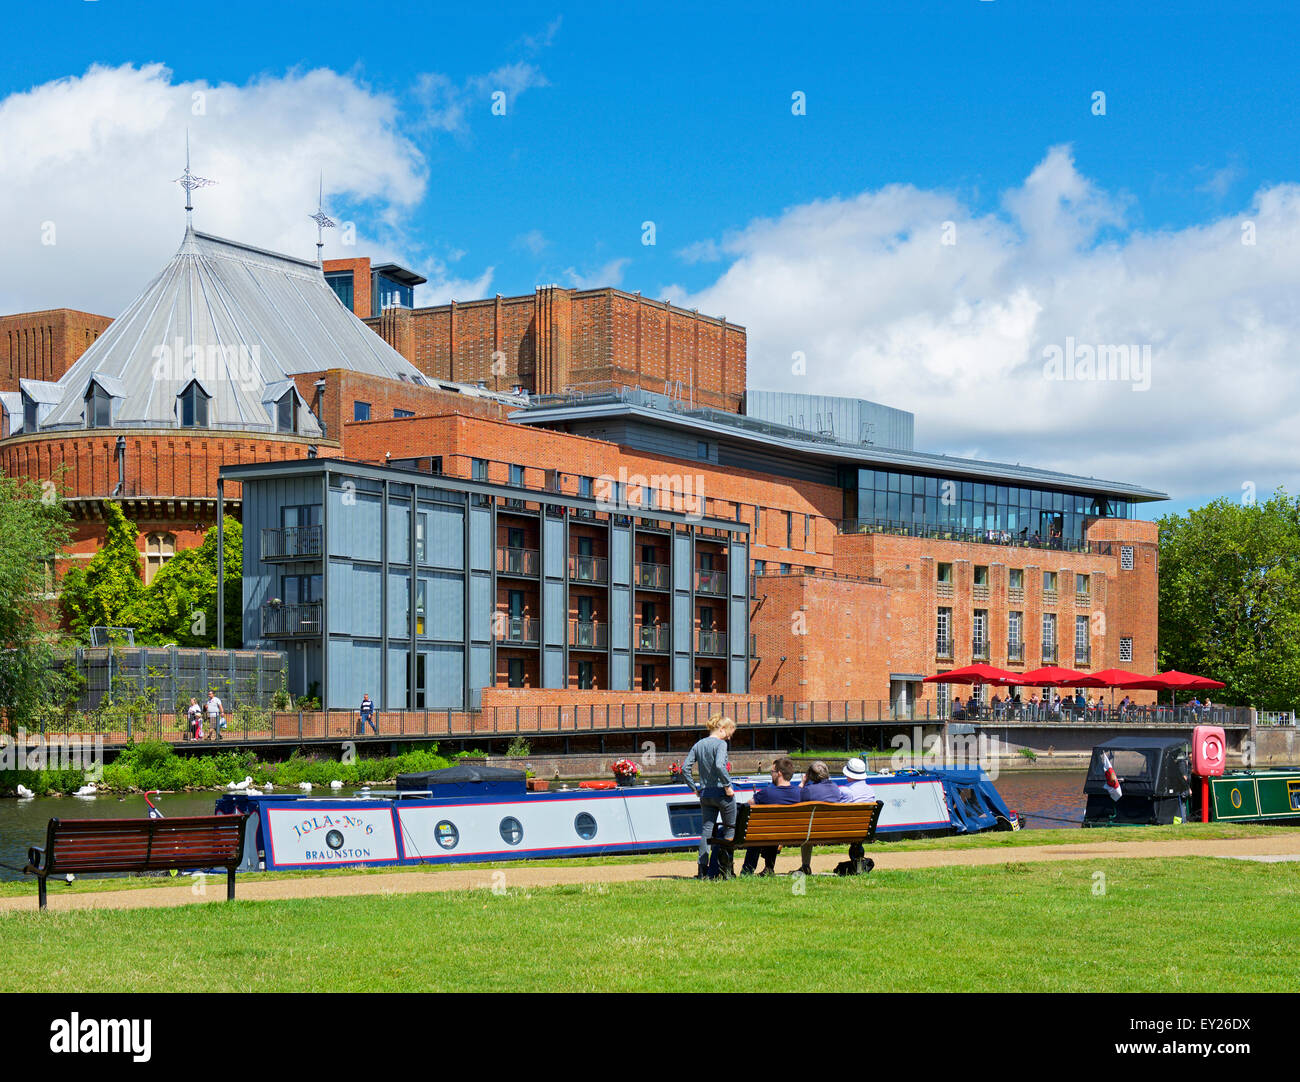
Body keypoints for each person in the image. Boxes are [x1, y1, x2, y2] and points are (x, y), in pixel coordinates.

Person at [682, 714, 737, 880]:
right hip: (722, 793)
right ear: (721, 729)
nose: (729, 737)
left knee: (706, 832)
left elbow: (685, 768)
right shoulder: (720, 744)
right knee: (730, 829)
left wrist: (695, 788)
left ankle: (702, 870)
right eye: (728, 734)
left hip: (705, 794)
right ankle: (726, 870)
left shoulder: (698, 744)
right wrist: (727, 785)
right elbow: (720, 765)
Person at [740, 756, 801, 876]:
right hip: (794, 833)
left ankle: (747, 871)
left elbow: (747, 805)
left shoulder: (766, 793)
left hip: (769, 833)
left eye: (772, 772)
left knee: (758, 833)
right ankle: (769, 868)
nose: (771, 774)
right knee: (772, 829)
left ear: (779, 773)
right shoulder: (800, 793)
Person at [796, 761, 844, 875]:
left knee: (807, 828)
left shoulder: (808, 790)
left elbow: (795, 798)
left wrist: (803, 783)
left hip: (811, 832)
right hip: (834, 830)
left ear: (810, 775)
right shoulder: (835, 788)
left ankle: (805, 865)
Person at [835, 757, 878, 876]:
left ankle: (856, 865)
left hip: (848, 830)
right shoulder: (870, 790)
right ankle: (858, 864)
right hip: (865, 830)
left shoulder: (845, 790)